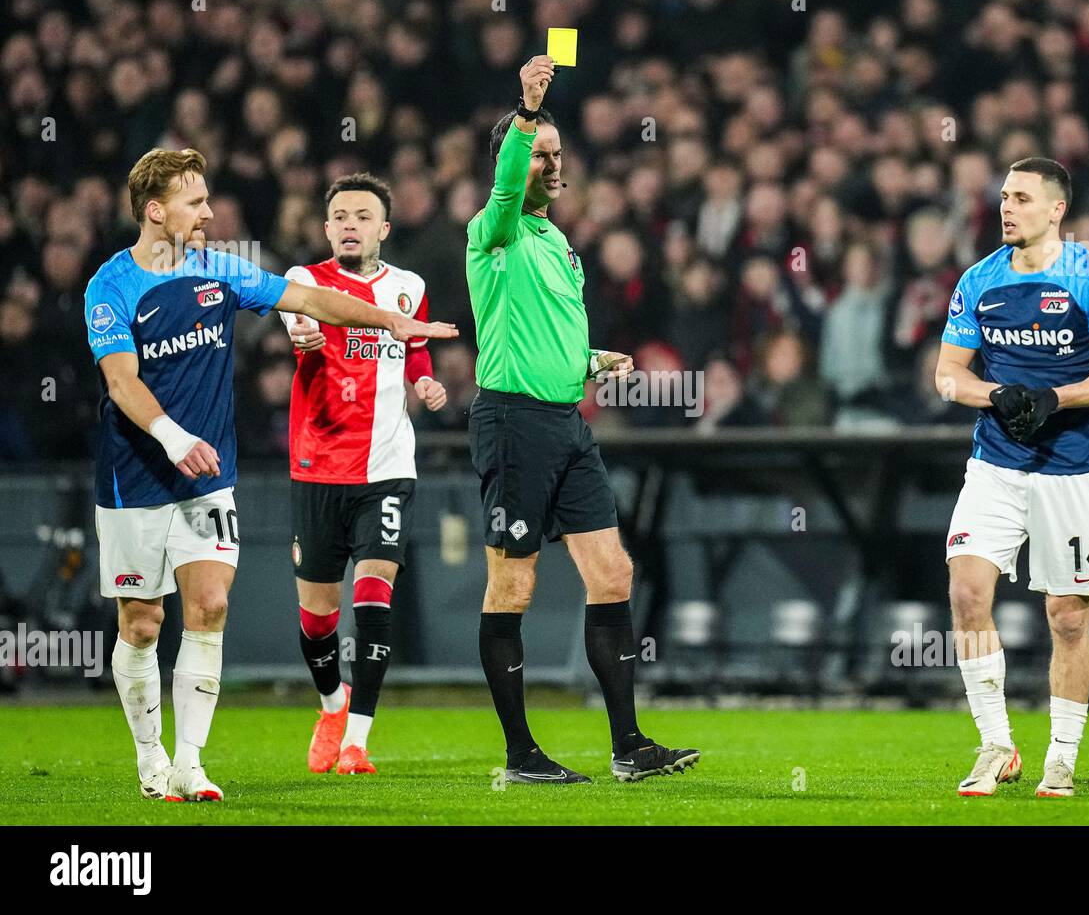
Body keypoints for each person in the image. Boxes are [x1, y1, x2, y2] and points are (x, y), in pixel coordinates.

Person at [86, 148, 453, 802]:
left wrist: (389, 320)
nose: (208, 211)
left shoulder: (222, 271)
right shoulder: (109, 287)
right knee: (142, 622)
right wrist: (171, 436)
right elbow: (121, 380)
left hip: (209, 477)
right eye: (194, 201)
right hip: (136, 475)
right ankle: (151, 757)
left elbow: (311, 298)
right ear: (155, 210)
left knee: (210, 607)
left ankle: (191, 766)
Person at [464, 55, 699, 783]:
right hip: (511, 421)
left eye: (559, 153)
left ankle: (628, 745)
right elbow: (506, 184)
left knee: (613, 572)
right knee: (513, 586)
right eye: (542, 152)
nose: (554, 163)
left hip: (566, 422)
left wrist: (593, 359)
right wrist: (528, 108)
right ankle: (520, 753)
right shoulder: (493, 229)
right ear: (513, 157)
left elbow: (542, 329)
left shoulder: (556, 241)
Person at [935, 157, 1089, 797]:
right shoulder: (978, 280)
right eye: (1003, 196)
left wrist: (1057, 399)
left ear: (1056, 210)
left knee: (1068, 617)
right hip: (995, 465)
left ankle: (1062, 754)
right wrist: (994, 395)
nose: (1006, 207)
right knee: (967, 593)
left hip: (1073, 470)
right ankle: (996, 744)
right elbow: (948, 374)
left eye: (1021, 197)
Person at [277, 173, 449, 775]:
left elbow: (414, 347)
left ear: (383, 229)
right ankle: (331, 704)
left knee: (375, 596)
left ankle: (357, 740)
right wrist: (300, 338)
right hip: (318, 466)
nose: (350, 223)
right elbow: (299, 329)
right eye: (340, 215)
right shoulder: (305, 282)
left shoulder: (409, 287)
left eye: (362, 215)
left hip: (386, 468)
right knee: (318, 619)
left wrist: (422, 379)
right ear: (327, 230)